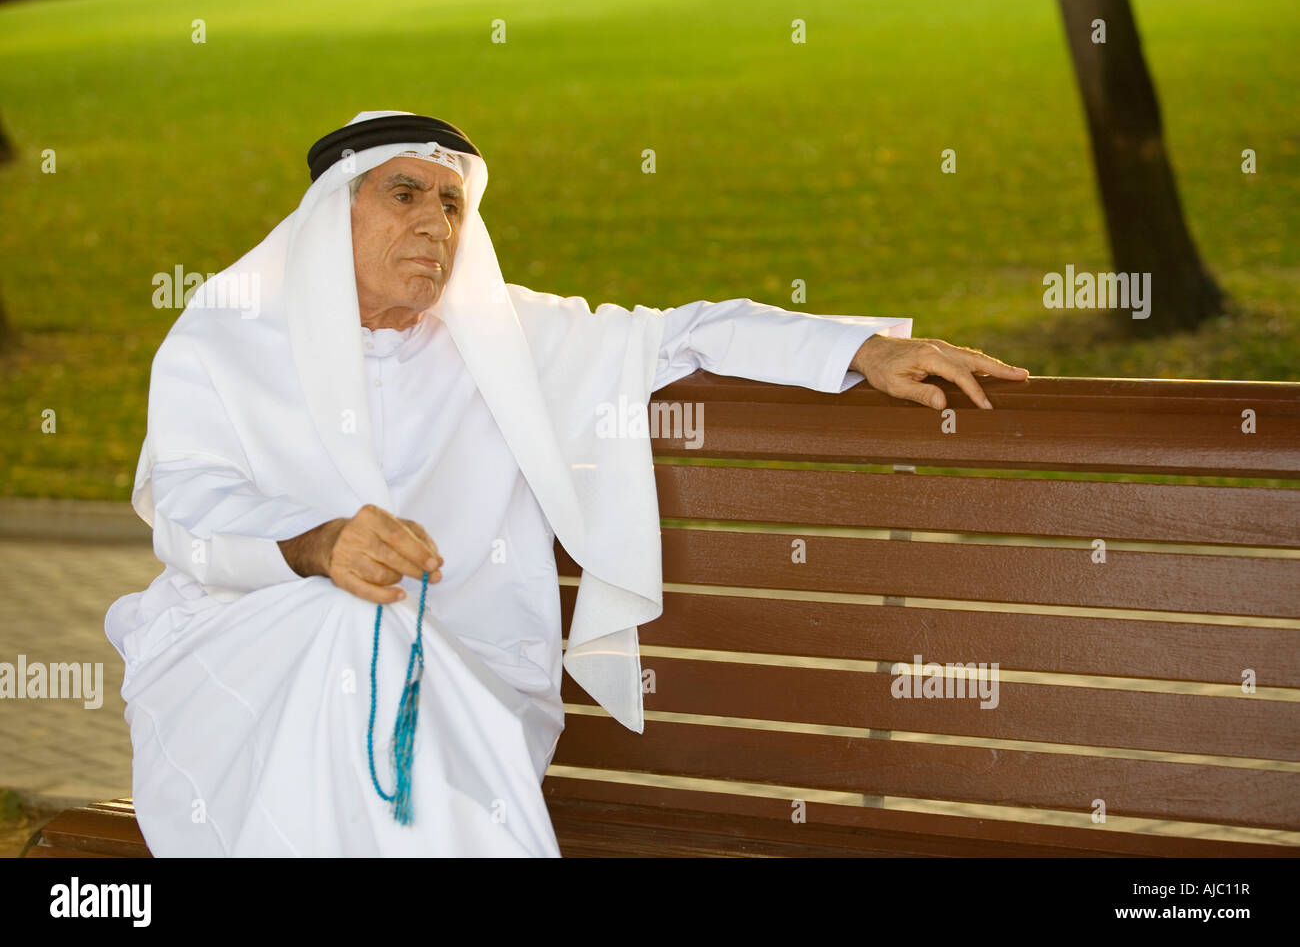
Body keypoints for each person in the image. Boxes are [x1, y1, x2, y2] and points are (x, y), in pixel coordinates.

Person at [105, 110, 1029, 856]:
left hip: (467, 667)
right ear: (329, 215)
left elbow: (684, 333)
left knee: (370, 629)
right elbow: (185, 508)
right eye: (405, 194)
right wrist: (313, 545)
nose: (436, 222)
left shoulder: (506, 339)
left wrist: (858, 346)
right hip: (240, 656)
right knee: (351, 617)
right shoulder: (226, 336)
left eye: (454, 204)